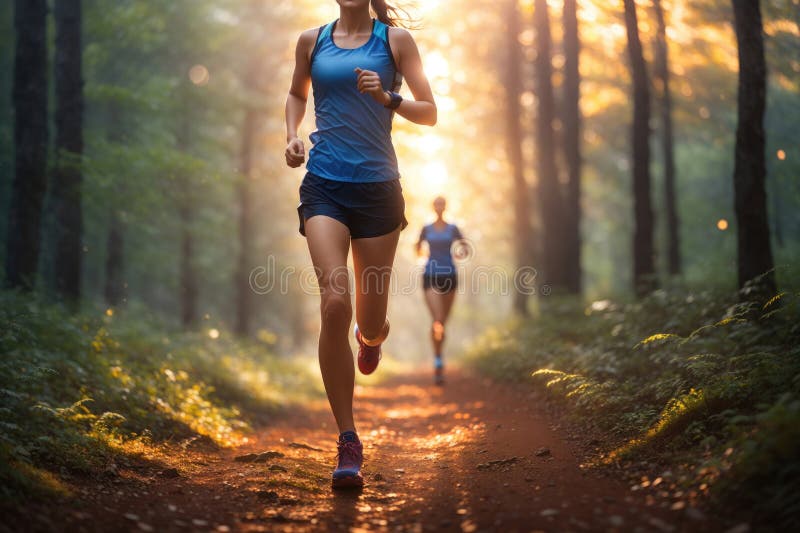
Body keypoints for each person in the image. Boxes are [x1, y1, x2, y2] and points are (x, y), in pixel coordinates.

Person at [284, 0, 436, 489]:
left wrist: (388, 97)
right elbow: (295, 95)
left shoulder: (393, 41)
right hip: (324, 184)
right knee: (334, 303)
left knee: (368, 318)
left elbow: (430, 112)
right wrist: (292, 135)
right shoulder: (312, 40)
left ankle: (372, 339)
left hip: (377, 190)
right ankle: (348, 439)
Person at [415, 196, 464, 385]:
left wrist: (461, 251)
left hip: (450, 276)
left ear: (446, 206)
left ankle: (439, 355)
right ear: (433, 207)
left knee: (443, 321)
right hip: (430, 276)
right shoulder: (426, 229)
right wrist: (424, 255)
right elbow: (417, 247)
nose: (439, 207)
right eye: (436, 204)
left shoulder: (453, 228)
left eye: (442, 204)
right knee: (437, 319)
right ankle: (437, 360)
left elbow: (464, 247)